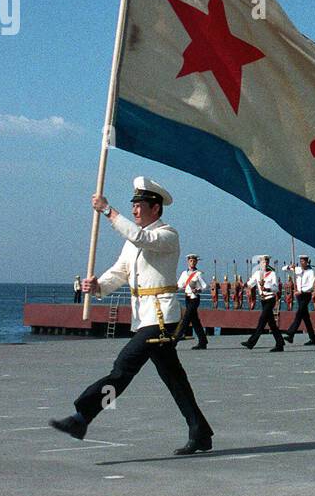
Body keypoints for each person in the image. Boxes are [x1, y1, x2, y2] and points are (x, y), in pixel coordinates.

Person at [50, 178, 213, 456]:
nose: (136, 210)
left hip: (160, 319)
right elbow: (120, 272)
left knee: (123, 368)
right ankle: (200, 432)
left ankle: (82, 417)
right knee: (174, 378)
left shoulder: (166, 235)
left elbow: (141, 238)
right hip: (144, 318)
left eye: (140, 206)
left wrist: (108, 211)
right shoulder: (132, 240)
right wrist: (98, 286)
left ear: (156, 209)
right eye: (134, 206)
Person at [175, 254, 209, 349]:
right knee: (195, 321)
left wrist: (198, 289)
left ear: (196, 262)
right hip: (187, 298)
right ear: (188, 262)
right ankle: (203, 341)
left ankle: (175, 340)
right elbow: (179, 285)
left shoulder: (198, 274)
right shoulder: (184, 273)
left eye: (194, 261)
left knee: (185, 319)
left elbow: (205, 285)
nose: (192, 262)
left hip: (194, 298)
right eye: (190, 261)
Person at [283, 255, 315, 345]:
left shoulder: (311, 272)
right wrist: (289, 267)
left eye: (303, 261)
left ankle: (291, 333)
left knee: (299, 314)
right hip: (299, 296)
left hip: (306, 295)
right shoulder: (297, 269)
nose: (302, 263)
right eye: (301, 261)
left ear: (307, 262)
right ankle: (313, 339)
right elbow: (284, 270)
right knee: (306, 318)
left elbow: (311, 286)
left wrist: (301, 291)